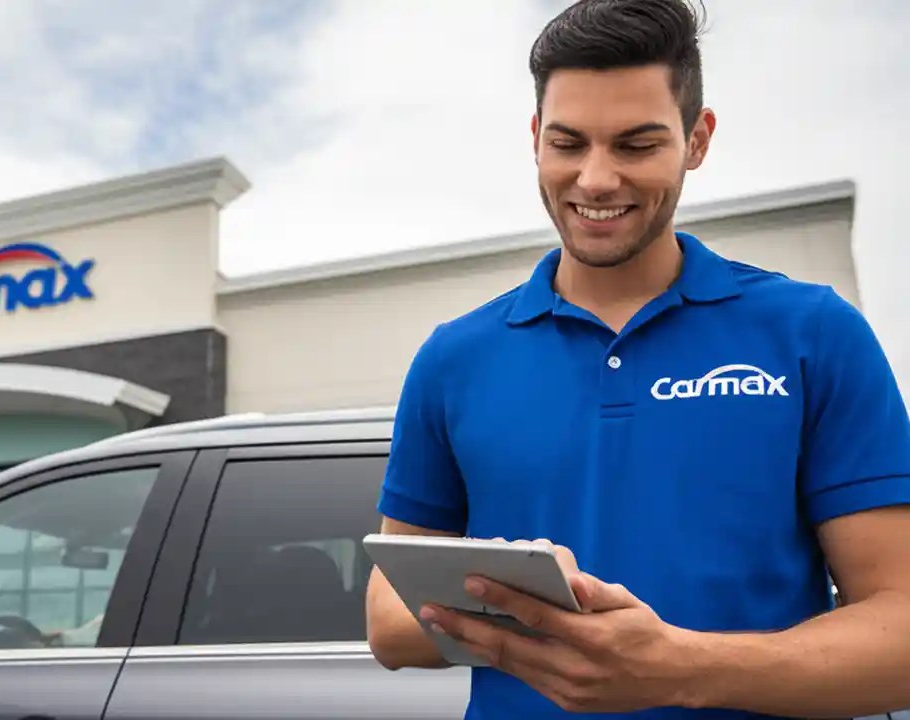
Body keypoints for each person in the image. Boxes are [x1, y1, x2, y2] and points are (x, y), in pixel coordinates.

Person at [364, 0, 910, 718]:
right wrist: (521, 600)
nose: (594, 179)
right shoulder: (454, 358)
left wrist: (678, 669)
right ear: (534, 139)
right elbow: (388, 619)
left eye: (635, 145)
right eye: (568, 143)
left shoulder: (812, 333)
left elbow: (898, 625)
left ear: (697, 138)